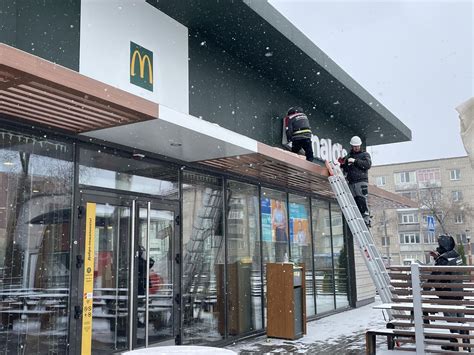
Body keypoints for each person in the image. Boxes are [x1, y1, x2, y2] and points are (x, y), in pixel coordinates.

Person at [427, 235, 465, 351]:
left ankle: (454, 345)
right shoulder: (456, 255)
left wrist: (425, 288)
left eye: (439, 245)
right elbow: (448, 266)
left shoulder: (443, 259)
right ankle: (464, 341)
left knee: (452, 320)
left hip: (447, 295)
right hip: (458, 292)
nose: (438, 247)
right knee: (460, 318)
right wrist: (438, 258)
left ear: (443, 245)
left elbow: (435, 277)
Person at [338, 136, 372, 227]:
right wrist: (342, 163)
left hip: (361, 181)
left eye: (357, 146)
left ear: (360, 145)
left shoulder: (365, 155)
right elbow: (345, 167)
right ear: (351, 146)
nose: (356, 148)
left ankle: (366, 219)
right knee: (354, 201)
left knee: (362, 199)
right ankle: (357, 219)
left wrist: (355, 161)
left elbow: (367, 165)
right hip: (351, 181)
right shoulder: (349, 156)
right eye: (354, 146)